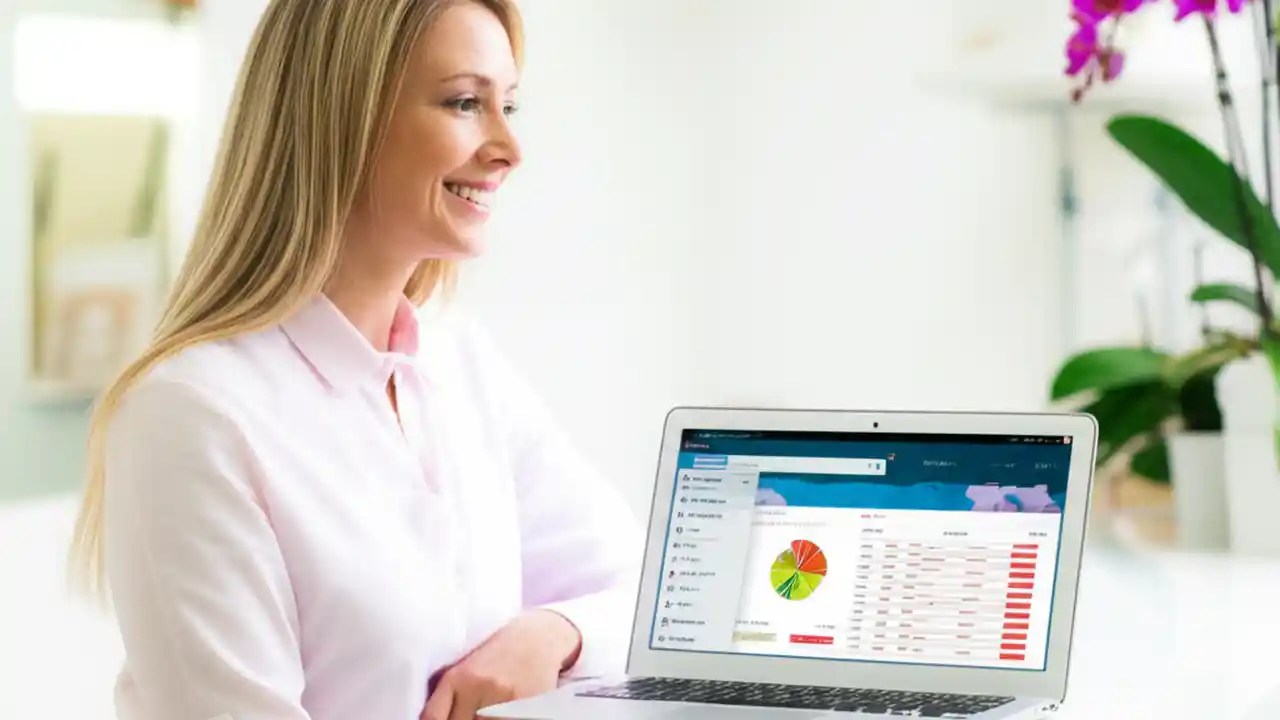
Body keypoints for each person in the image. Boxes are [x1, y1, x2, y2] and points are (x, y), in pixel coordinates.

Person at [68, 2, 641, 719]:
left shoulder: (459, 361)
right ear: (344, 117)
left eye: (510, 104)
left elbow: (650, 598)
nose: (509, 147)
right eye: (466, 102)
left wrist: (553, 633)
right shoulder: (193, 416)